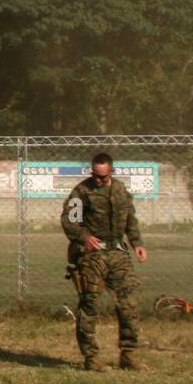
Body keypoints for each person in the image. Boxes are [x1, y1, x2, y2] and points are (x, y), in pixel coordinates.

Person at [61, 152, 149, 371]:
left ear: (111, 171)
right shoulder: (82, 192)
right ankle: (91, 357)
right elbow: (69, 221)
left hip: (118, 254)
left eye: (102, 176)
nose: (98, 180)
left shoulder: (120, 191)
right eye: (95, 175)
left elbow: (130, 220)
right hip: (92, 255)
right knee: (89, 303)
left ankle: (128, 354)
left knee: (128, 303)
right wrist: (83, 237)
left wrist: (137, 243)